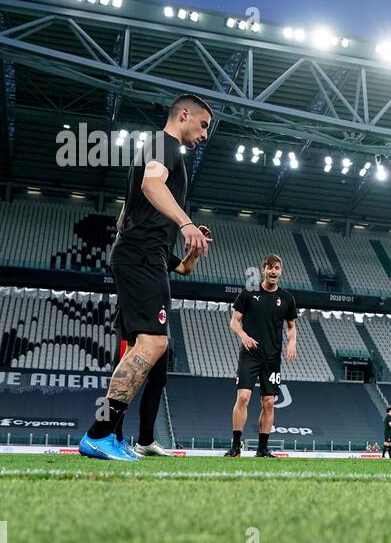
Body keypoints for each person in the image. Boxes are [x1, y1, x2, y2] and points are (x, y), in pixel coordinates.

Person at [79, 94, 212, 460]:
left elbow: (130, 217)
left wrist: (192, 253)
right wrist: (184, 222)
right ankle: (99, 434)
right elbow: (151, 187)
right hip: (139, 254)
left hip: (144, 252)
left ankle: (114, 435)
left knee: (143, 349)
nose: (205, 134)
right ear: (183, 114)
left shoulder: (158, 150)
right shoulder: (162, 143)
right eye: (203, 124)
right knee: (154, 344)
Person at [112, 223, 212, 455]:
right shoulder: (136, 244)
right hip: (133, 320)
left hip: (157, 321)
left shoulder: (161, 251)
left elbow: (186, 268)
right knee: (127, 378)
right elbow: (123, 224)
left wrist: (195, 252)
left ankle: (145, 441)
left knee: (158, 380)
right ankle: (112, 436)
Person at [225, 253, 298, 458]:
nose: (273, 271)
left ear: (280, 271)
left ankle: (262, 449)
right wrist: (244, 336)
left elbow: (292, 326)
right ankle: (236, 446)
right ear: (263, 270)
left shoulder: (286, 298)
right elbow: (234, 321)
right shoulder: (249, 293)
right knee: (244, 397)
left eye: (277, 268)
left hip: (272, 357)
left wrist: (292, 342)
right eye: (270, 268)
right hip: (250, 354)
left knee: (268, 402)